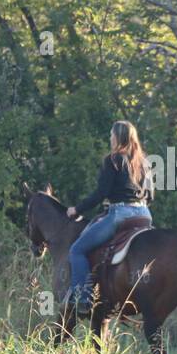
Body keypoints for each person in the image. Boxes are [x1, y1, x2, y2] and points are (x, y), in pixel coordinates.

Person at [66, 120, 153, 313]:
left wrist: (77, 210)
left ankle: (82, 299)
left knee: (76, 250)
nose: (110, 138)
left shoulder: (113, 160)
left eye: (112, 134)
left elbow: (100, 194)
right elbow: (150, 196)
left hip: (121, 214)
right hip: (144, 215)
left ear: (119, 137)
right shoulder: (144, 162)